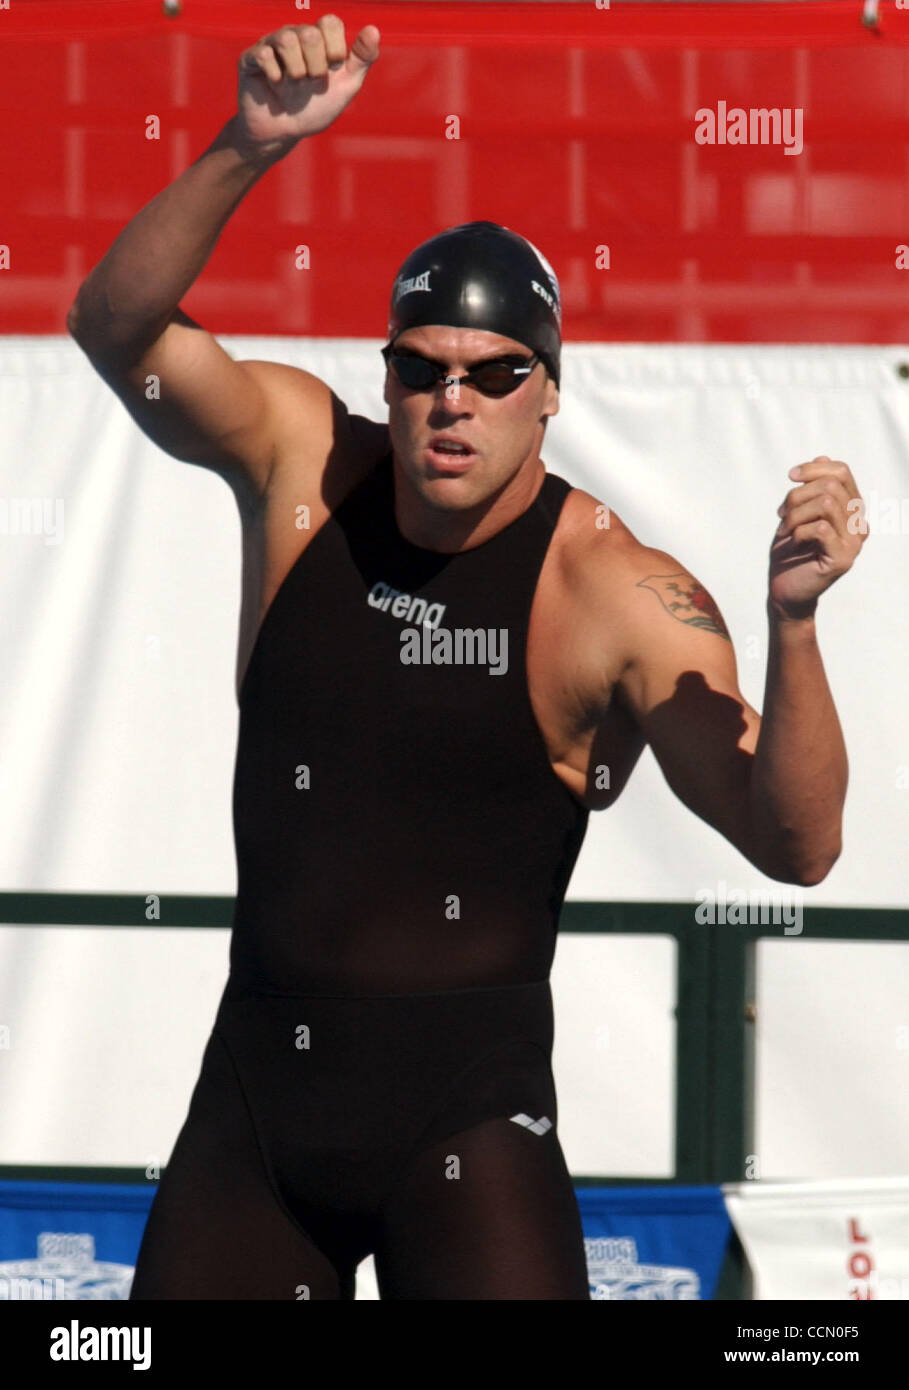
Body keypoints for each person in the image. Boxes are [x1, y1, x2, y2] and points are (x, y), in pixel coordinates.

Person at [67, 17, 865, 1300]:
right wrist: (245, 148)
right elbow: (114, 330)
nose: (454, 401)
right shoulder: (302, 469)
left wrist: (794, 627)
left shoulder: (612, 593)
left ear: (550, 391)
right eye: (423, 369)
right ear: (386, 378)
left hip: (471, 1129)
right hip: (258, 1120)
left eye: (496, 374)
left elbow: (799, 844)